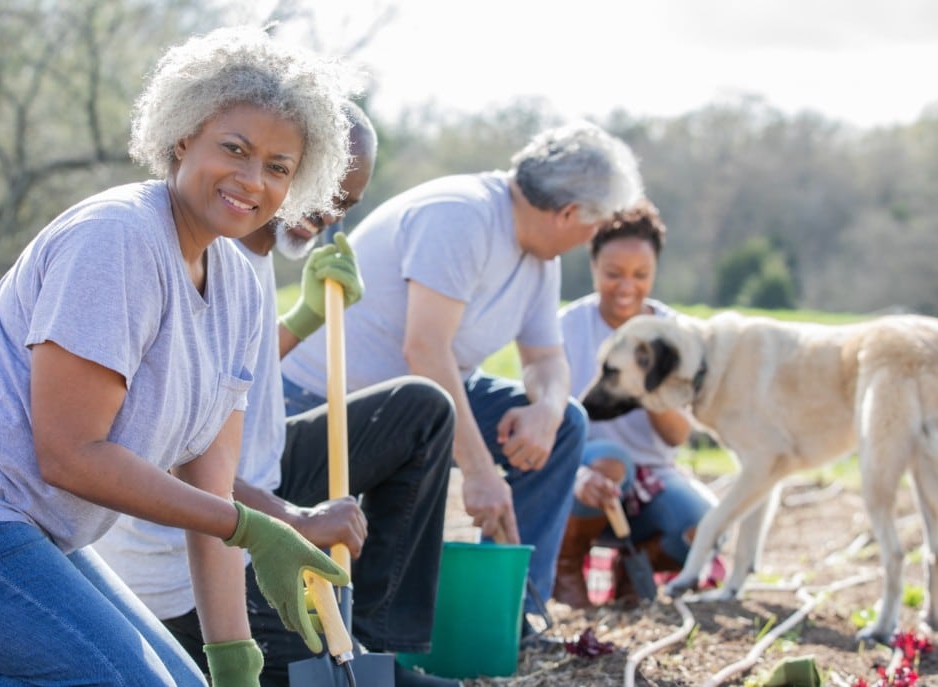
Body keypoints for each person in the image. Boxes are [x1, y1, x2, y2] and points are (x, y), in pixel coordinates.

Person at [0, 26, 357, 687]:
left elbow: (210, 486)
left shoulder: (238, 286)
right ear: (183, 138)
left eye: (278, 167)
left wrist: (235, 662)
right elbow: (70, 453)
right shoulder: (117, 238)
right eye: (234, 149)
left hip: (27, 525)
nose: (251, 180)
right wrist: (255, 528)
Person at [94, 103, 461, 687]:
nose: (329, 212)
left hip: (259, 472)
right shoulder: (213, 246)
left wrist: (305, 318)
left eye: (345, 202)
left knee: (420, 410)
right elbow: (173, 449)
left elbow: (235, 379)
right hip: (192, 548)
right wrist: (292, 520)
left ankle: (378, 641)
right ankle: (362, 664)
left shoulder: (253, 255)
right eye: (324, 189)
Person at [280, 122, 646, 625]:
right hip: (323, 401)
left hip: (420, 399)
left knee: (566, 425)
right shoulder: (462, 217)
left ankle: (510, 614)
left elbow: (546, 359)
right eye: (595, 225)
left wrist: (546, 409)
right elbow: (426, 351)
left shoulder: (542, 257)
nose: (592, 238)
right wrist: (479, 472)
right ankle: (385, 626)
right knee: (426, 418)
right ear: (567, 213)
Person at [552, 201, 721, 608]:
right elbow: (552, 418)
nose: (627, 286)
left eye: (641, 275)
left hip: (655, 475)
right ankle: (566, 566)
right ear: (593, 264)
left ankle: (631, 569)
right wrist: (578, 474)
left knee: (706, 529)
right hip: (584, 473)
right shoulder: (567, 327)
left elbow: (677, 434)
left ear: (655, 270)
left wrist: (645, 382)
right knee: (612, 460)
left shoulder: (674, 334)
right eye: (613, 274)